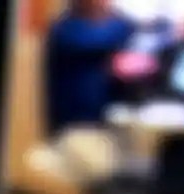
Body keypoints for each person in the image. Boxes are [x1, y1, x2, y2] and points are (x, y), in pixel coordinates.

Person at [44, 0, 137, 136]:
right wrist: (123, 25)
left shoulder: (110, 26)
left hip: (103, 116)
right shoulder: (65, 28)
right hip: (74, 121)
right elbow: (102, 39)